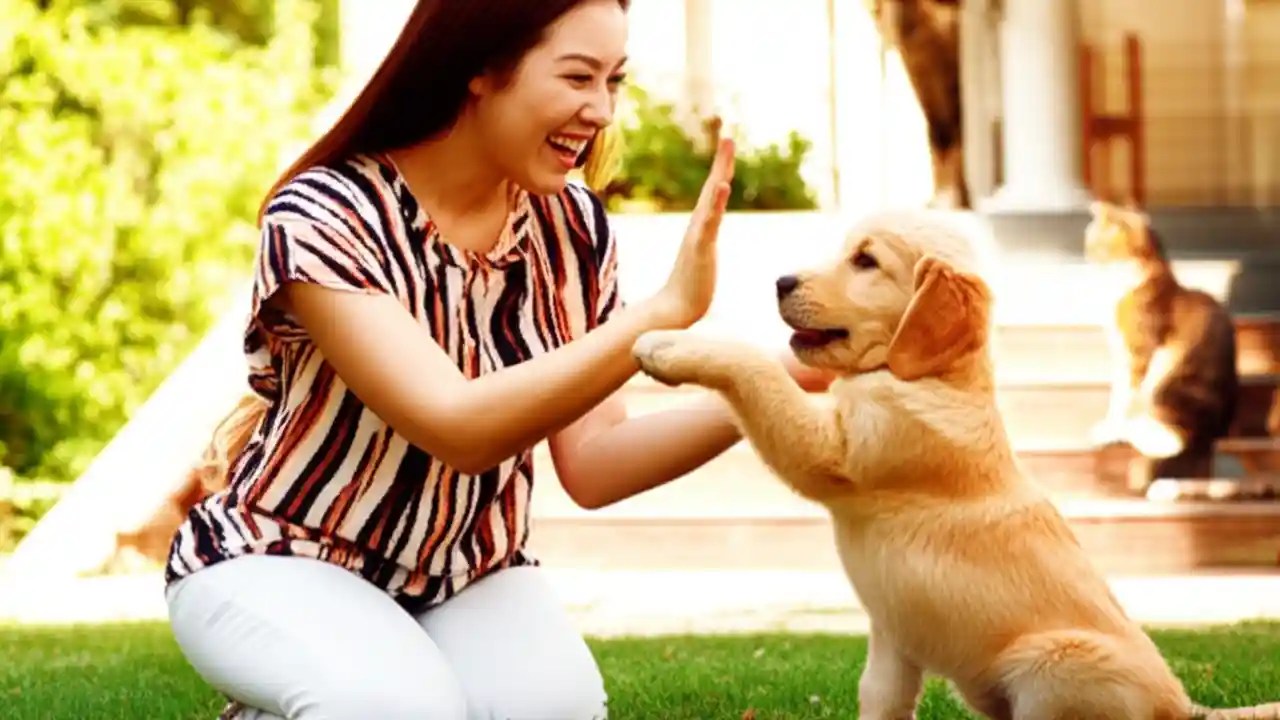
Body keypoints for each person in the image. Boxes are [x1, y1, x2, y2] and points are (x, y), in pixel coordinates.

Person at [163, 1, 834, 718]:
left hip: (463, 574)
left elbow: (598, 460)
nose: (602, 110)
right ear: (481, 66)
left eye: (614, 81)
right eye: (578, 77)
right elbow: (457, 427)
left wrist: (775, 377)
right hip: (281, 556)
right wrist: (661, 315)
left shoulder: (569, 231)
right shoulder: (327, 216)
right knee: (398, 707)